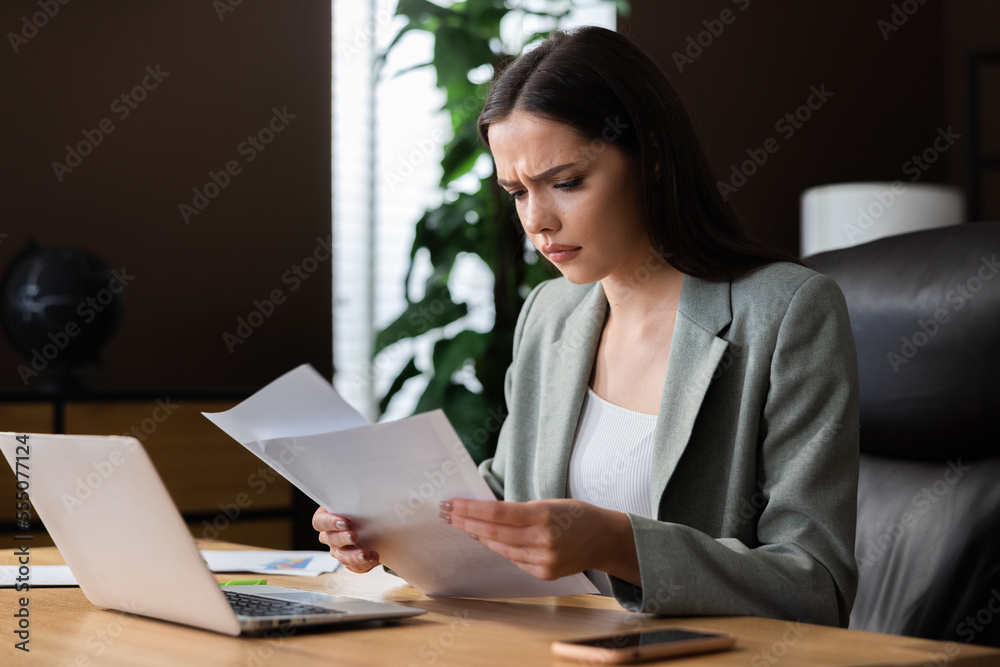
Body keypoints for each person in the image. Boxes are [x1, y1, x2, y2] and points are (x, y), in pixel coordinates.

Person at [315, 25, 859, 627]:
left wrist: (615, 543)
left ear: (651, 157)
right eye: (516, 192)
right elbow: (506, 499)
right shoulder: (550, 314)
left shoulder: (787, 312)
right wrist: (389, 529)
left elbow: (817, 586)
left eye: (566, 182)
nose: (537, 221)